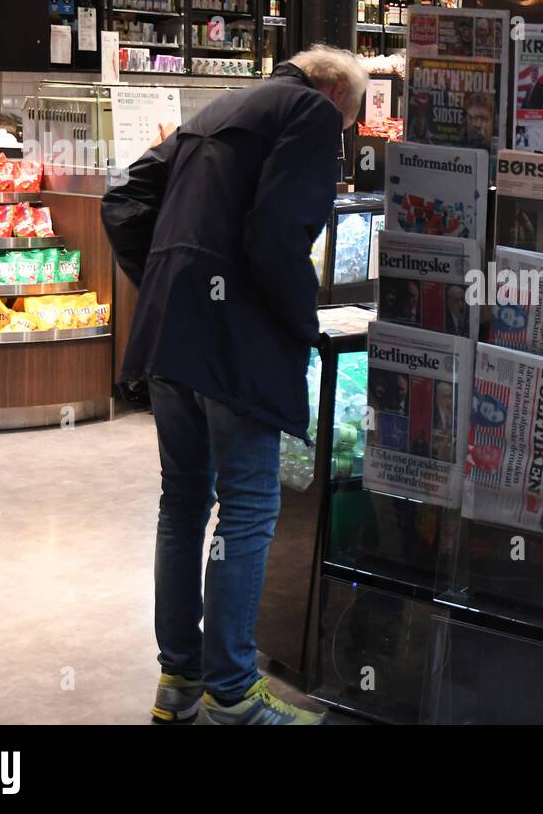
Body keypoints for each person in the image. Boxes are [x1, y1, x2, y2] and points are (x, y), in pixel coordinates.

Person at [101, 44, 368, 726]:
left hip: (170, 337)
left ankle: (179, 683)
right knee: (248, 507)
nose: (341, 139)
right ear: (336, 95)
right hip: (235, 345)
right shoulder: (309, 114)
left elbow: (123, 200)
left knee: (183, 503)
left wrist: (170, 281)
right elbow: (277, 235)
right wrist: (299, 323)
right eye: (348, 126)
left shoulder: (217, 108)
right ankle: (234, 694)